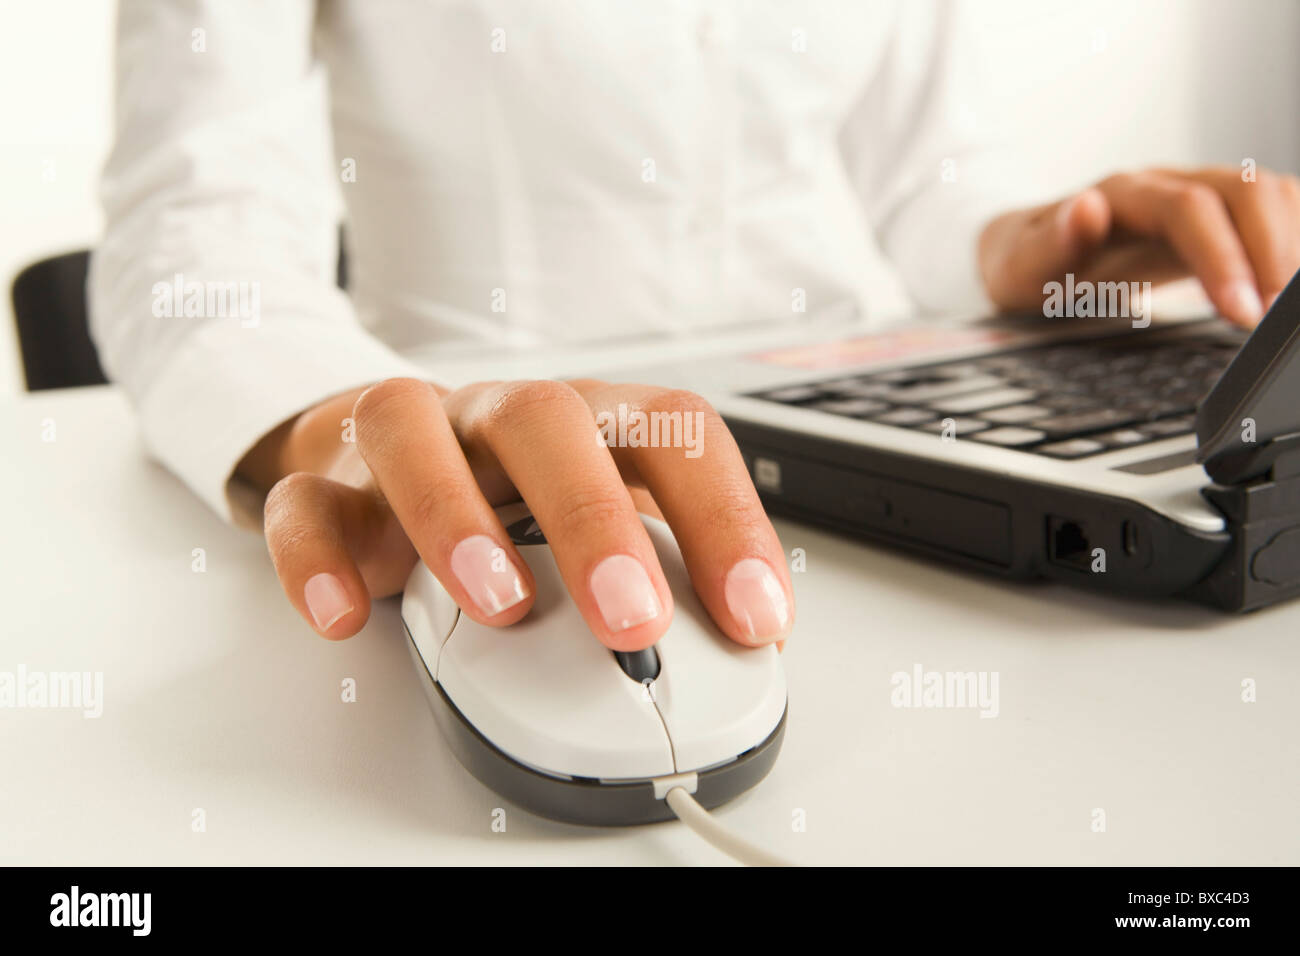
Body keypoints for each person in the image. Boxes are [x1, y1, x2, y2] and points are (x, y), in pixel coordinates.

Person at [89, 1, 1300, 653]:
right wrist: (337, 419)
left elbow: (919, 176)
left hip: (890, 396)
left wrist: (1033, 245)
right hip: (508, 468)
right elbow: (193, 224)